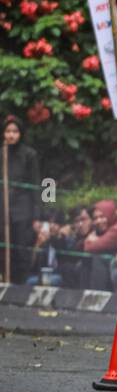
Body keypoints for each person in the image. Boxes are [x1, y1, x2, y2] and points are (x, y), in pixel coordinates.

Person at [2, 115, 41, 284]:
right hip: (3, 207)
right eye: (8, 131)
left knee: (20, 247)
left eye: (15, 132)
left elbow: (36, 185)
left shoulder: (29, 155)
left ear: (20, 134)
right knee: (4, 247)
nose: (11, 135)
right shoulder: (1, 153)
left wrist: (37, 215)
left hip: (22, 209)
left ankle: (19, 286)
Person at [80, 199, 117, 290]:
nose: (98, 221)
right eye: (95, 218)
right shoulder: (106, 229)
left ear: (110, 214)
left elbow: (89, 247)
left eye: (102, 217)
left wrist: (93, 240)